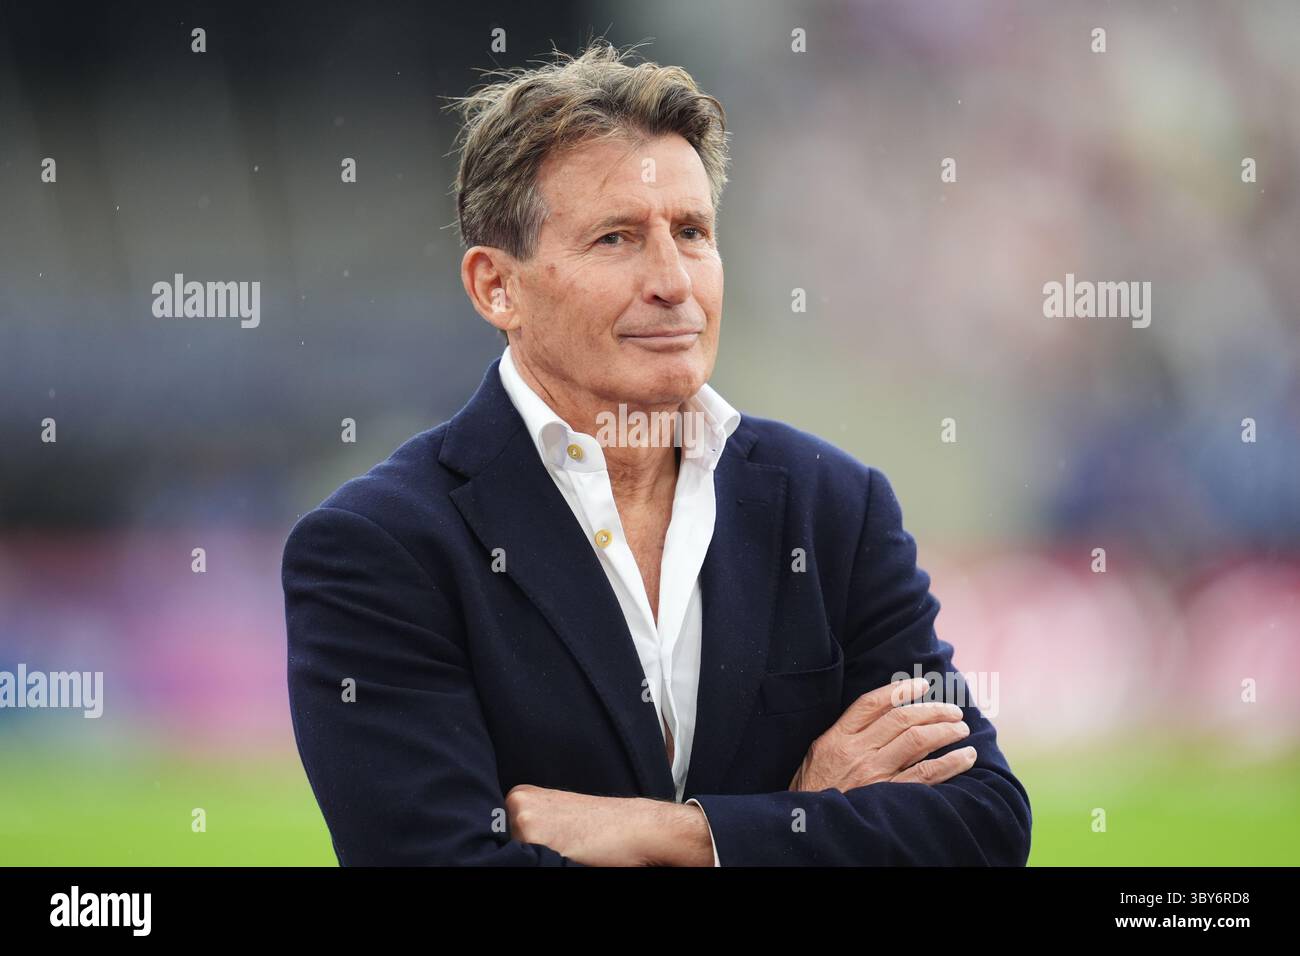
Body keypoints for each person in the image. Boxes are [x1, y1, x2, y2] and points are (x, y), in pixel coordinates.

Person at [282, 39, 1031, 866]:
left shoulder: (835, 507)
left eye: (692, 231)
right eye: (617, 239)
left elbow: (983, 827)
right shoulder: (380, 548)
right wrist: (794, 817)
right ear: (497, 286)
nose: (675, 281)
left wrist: (681, 833)